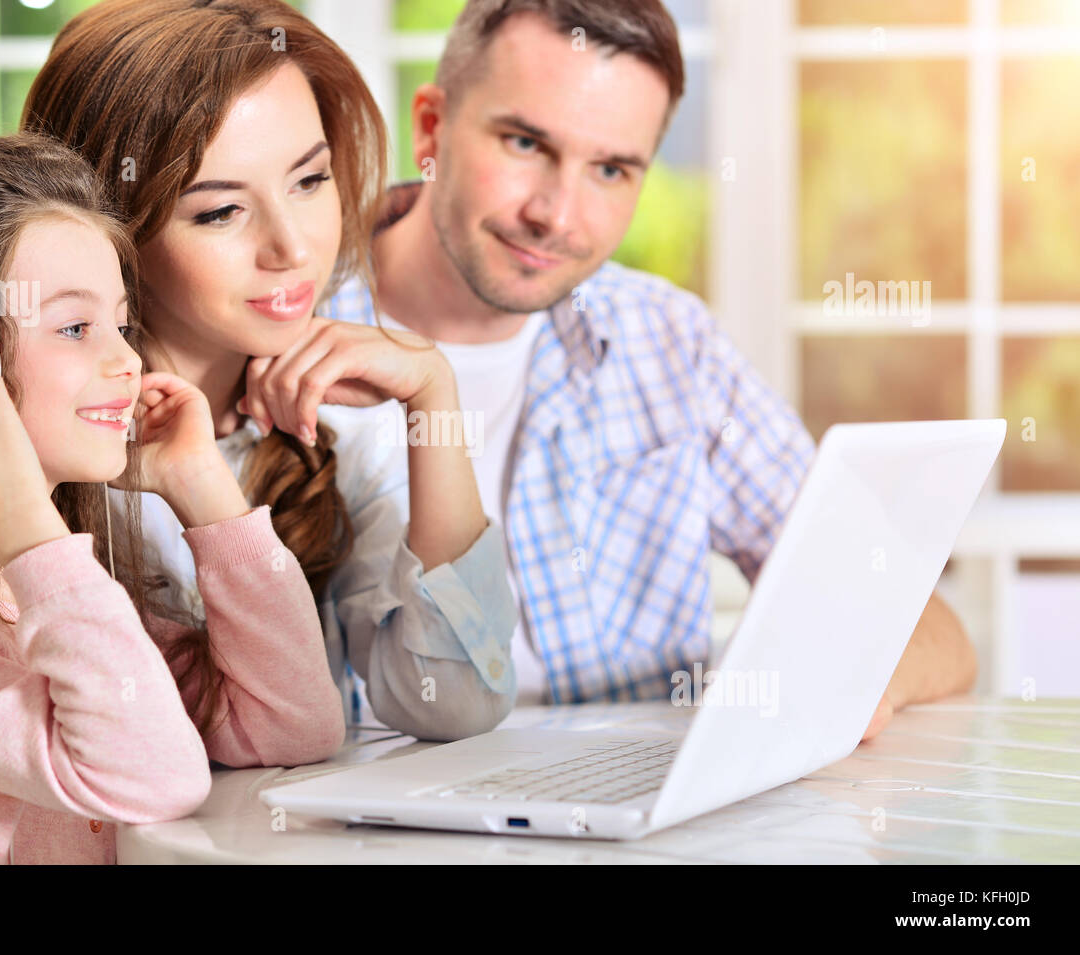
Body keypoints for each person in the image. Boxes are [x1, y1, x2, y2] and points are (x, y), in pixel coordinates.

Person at [321, 0, 977, 741]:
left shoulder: (668, 342)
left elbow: (927, 622)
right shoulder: (283, 334)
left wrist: (846, 680)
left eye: (610, 168)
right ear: (432, 128)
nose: (558, 215)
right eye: (526, 142)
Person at [0, 133, 345, 865]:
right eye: (77, 327)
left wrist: (205, 491)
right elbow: (153, 776)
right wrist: (21, 520)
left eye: (123, 323)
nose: (128, 360)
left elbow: (294, 726)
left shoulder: (66, 590)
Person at [21, 0, 519, 742]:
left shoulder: (340, 420)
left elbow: (456, 701)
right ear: (112, 219)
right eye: (220, 212)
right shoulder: (39, 426)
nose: (291, 247)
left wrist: (432, 395)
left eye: (310, 180)